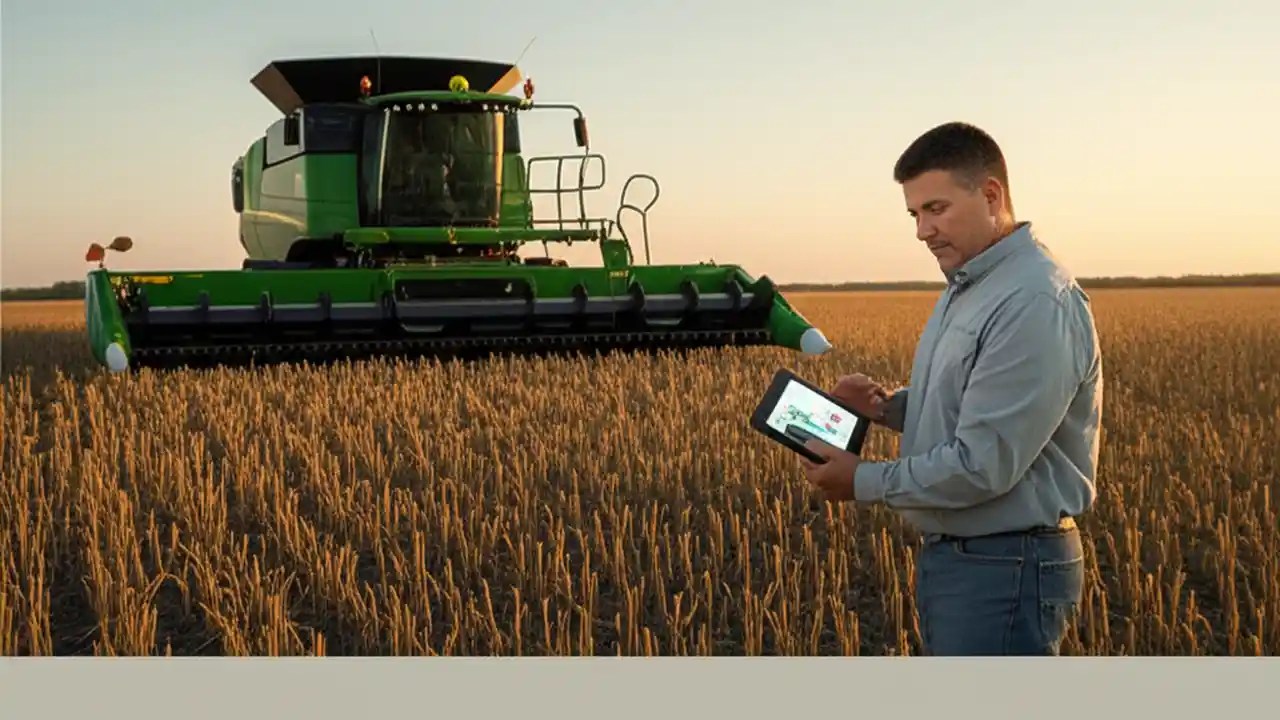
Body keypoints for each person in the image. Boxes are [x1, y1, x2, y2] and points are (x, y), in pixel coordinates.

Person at [799, 121, 1103, 656]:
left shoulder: (1032, 301)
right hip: (974, 560)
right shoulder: (973, 284)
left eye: (936, 209)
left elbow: (983, 462)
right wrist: (887, 408)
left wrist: (863, 480)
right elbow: (972, 405)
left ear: (991, 195)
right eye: (915, 214)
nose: (922, 230)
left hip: (1006, 564)